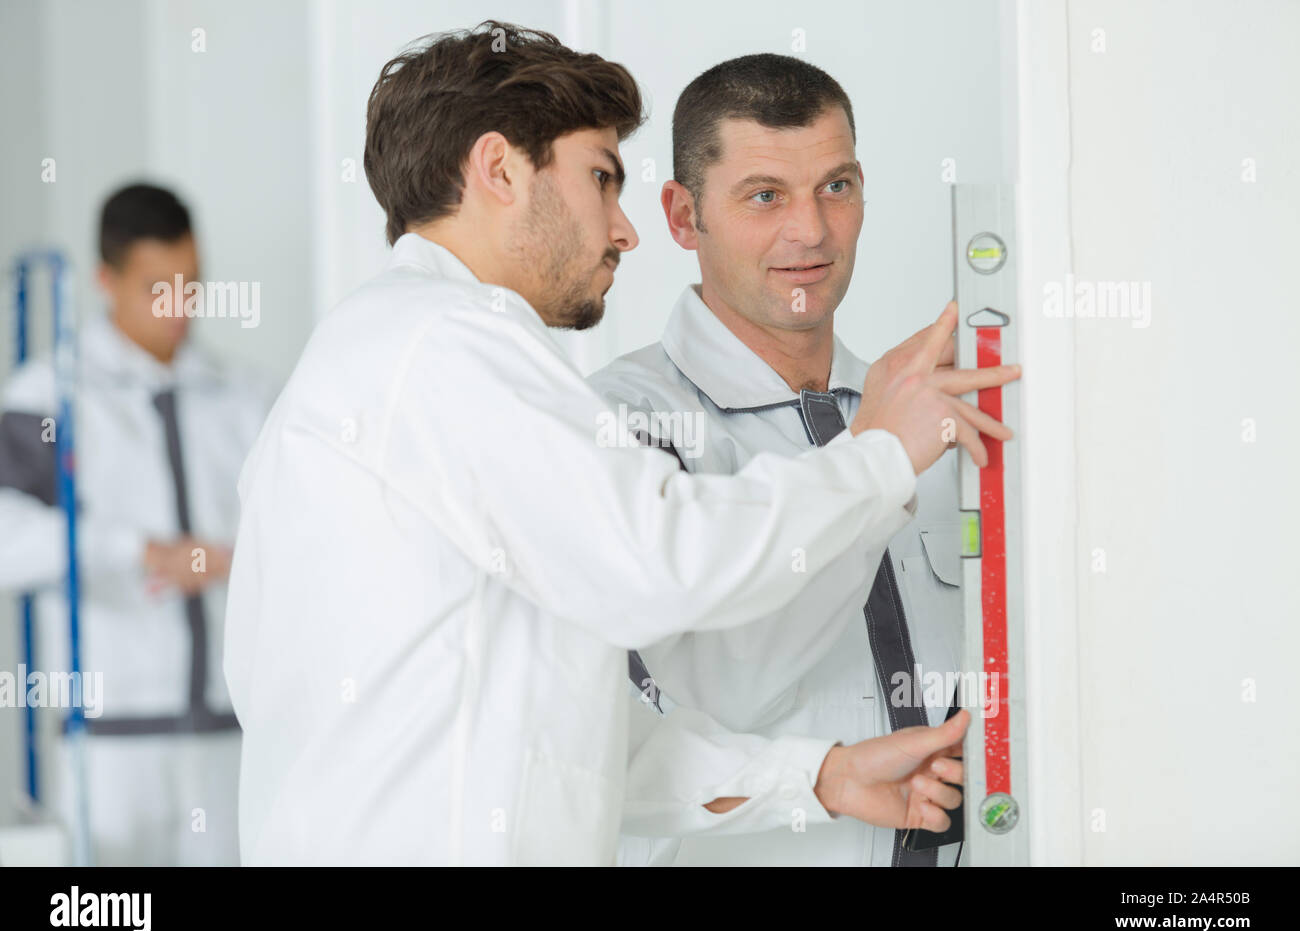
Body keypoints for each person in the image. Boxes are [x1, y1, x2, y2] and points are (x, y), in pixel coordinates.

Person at [223, 21, 1008, 866]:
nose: (624, 231)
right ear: (499, 170)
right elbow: (661, 560)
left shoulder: (398, 356)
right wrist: (881, 455)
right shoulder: (440, 345)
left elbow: (577, 748)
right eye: (600, 178)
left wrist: (818, 777)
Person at [589, 54, 1020, 867]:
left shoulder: (922, 404)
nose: (811, 231)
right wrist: (878, 463)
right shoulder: (621, 425)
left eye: (836, 187)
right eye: (764, 197)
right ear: (683, 217)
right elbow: (713, 697)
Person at [0, 183, 273, 865]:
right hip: (110, 744)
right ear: (105, 280)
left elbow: (297, 540)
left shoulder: (244, 397)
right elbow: (7, 539)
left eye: (191, 285)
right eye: (157, 287)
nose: (178, 308)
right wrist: (140, 553)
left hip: (227, 738)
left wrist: (228, 560)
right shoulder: (48, 394)